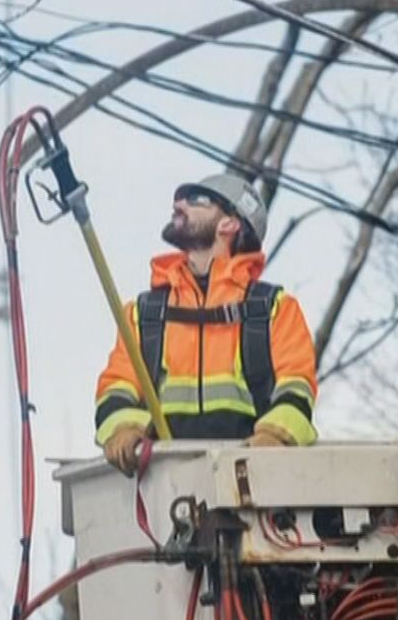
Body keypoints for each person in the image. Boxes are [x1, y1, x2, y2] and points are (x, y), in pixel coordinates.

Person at [93, 172, 318, 474]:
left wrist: (274, 436)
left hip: (250, 483)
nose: (179, 204)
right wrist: (123, 428)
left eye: (196, 199)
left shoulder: (274, 309)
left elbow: (296, 388)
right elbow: (116, 388)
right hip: (162, 481)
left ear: (229, 223)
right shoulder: (143, 315)